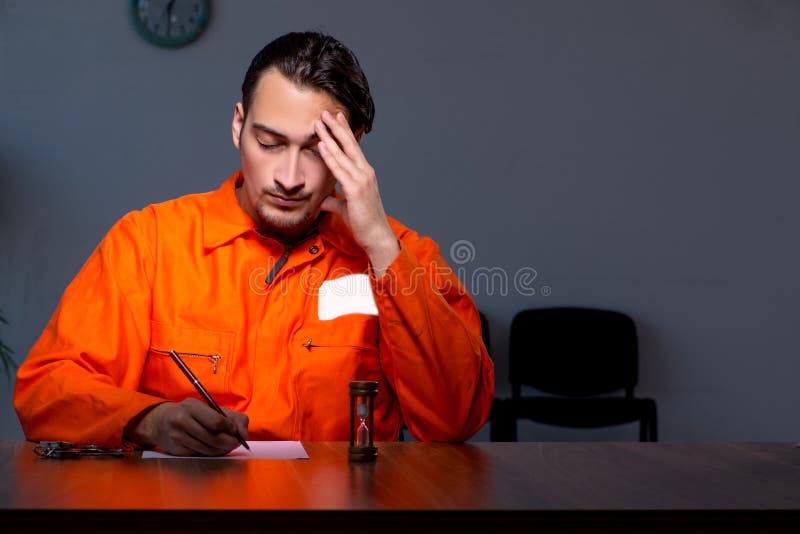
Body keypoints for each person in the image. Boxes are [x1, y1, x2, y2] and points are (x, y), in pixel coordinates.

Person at [14, 31, 494, 456]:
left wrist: (381, 249)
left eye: (316, 150)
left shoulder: (404, 255)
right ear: (238, 126)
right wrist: (147, 421)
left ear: (355, 145)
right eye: (269, 143)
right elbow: (46, 392)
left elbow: (456, 421)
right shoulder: (149, 243)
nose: (289, 178)